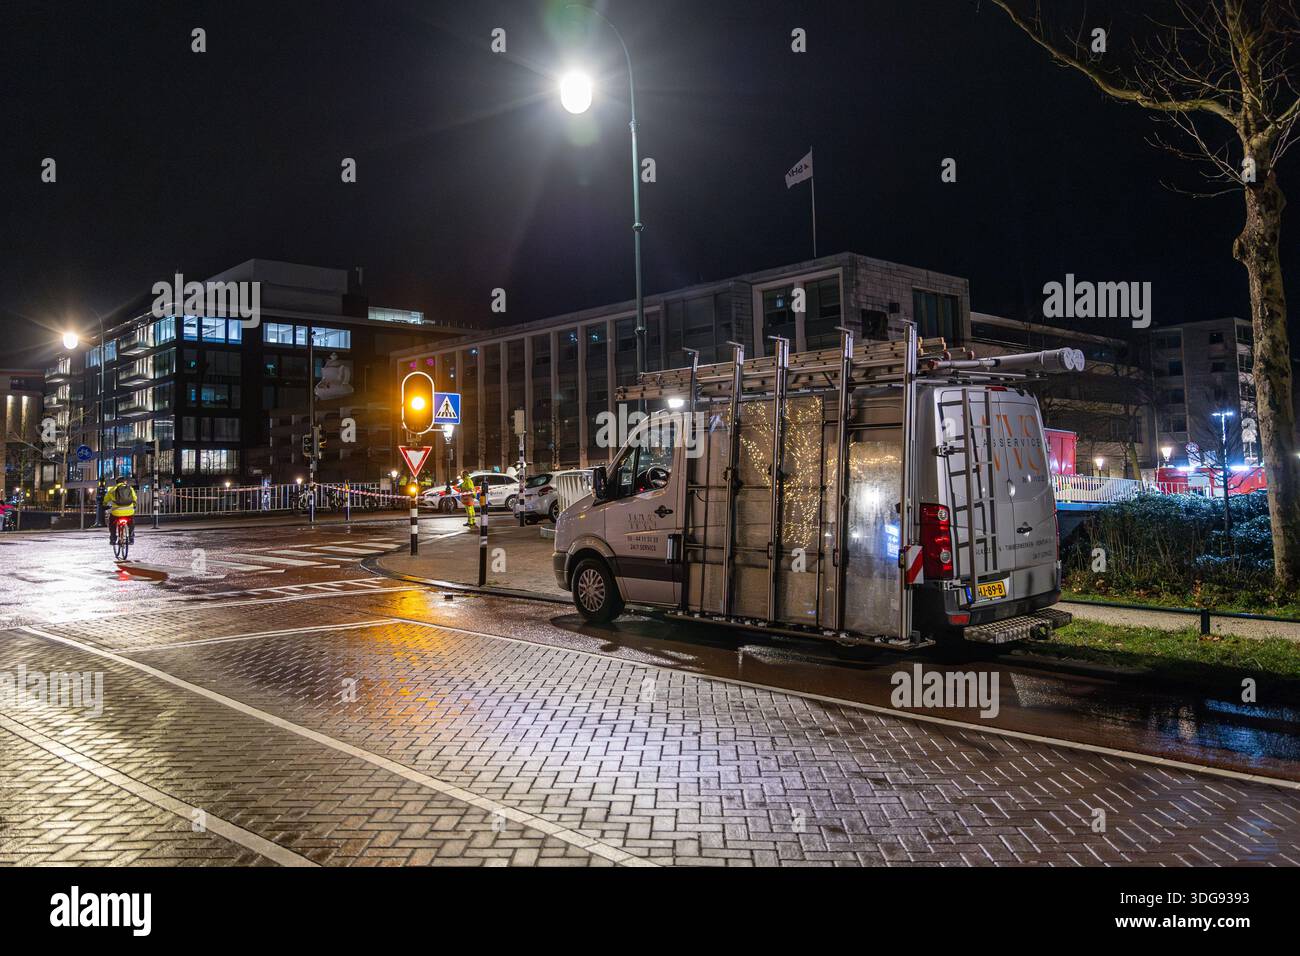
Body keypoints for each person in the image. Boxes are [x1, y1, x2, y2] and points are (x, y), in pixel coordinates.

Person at [104, 476, 137, 545]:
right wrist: (134, 505)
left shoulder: (112, 490)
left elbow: (106, 499)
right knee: (131, 522)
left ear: (116, 483)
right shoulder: (130, 488)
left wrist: (104, 504)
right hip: (129, 511)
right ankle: (131, 537)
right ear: (124, 482)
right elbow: (134, 498)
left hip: (117, 512)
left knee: (112, 523)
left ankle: (113, 539)